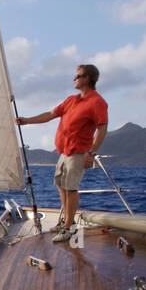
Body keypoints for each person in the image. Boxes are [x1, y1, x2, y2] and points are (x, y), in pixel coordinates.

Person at [17, 64, 108, 242]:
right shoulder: (71, 100)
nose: (74, 79)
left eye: (78, 76)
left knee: (71, 188)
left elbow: (102, 128)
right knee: (61, 185)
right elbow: (50, 115)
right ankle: (65, 222)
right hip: (64, 153)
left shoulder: (97, 102)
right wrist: (27, 121)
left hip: (78, 153)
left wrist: (92, 153)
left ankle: (69, 228)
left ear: (88, 78)